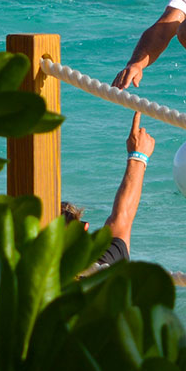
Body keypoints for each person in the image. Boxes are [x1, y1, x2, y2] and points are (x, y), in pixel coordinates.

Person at [62, 111, 155, 268]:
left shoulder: (25, 272)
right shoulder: (102, 263)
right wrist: (138, 155)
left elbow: (122, 217)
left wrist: (138, 158)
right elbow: (123, 216)